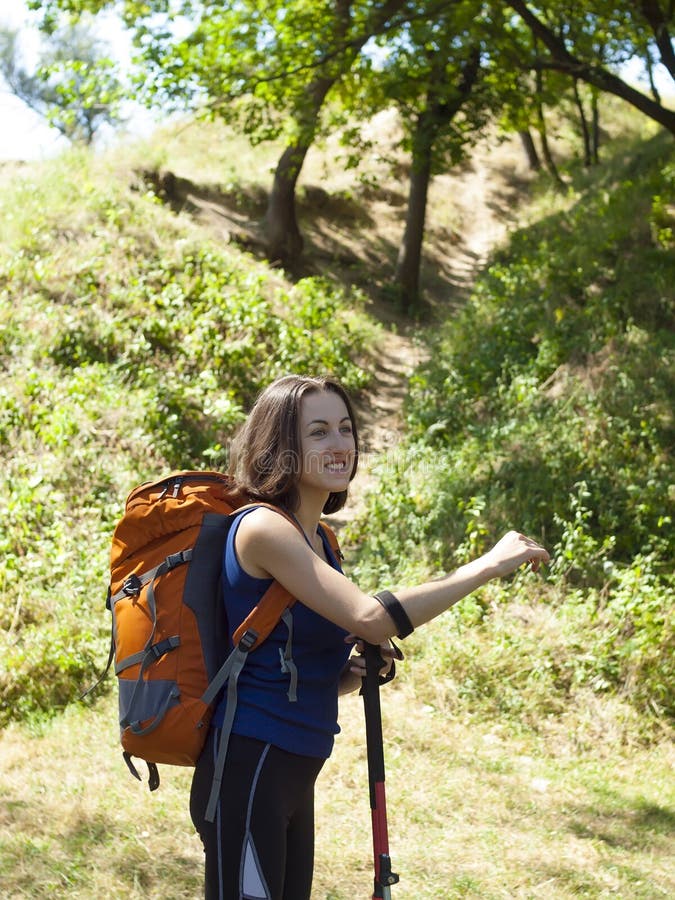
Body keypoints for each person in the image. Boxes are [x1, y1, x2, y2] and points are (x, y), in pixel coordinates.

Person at [189, 374, 549, 900]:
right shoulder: (262, 529)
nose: (340, 445)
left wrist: (346, 675)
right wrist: (487, 566)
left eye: (344, 428)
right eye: (318, 433)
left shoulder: (320, 540)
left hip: (292, 771)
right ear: (281, 446)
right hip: (248, 769)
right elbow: (370, 618)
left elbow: (284, 665)